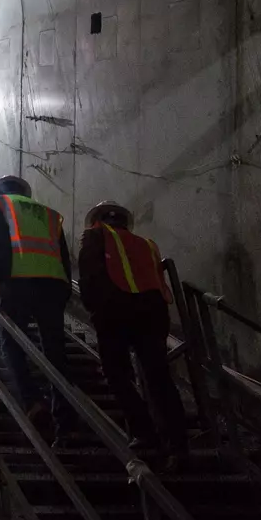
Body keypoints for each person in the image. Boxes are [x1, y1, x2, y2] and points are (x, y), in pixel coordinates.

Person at [77, 201, 188, 471]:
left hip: (115, 313)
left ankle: (144, 430)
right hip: (153, 315)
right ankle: (177, 445)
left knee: (116, 374)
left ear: (98, 220)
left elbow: (88, 278)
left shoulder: (95, 236)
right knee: (159, 378)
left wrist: (94, 310)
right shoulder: (147, 244)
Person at [0, 175, 75, 444]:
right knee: (56, 353)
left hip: (18, 284)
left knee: (11, 343)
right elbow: (63, 256)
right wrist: (64, 289)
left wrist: (0, 279)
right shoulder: (49, 214)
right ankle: (66, 421)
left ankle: (33, 401)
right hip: (53, 287)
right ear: (25, 191)